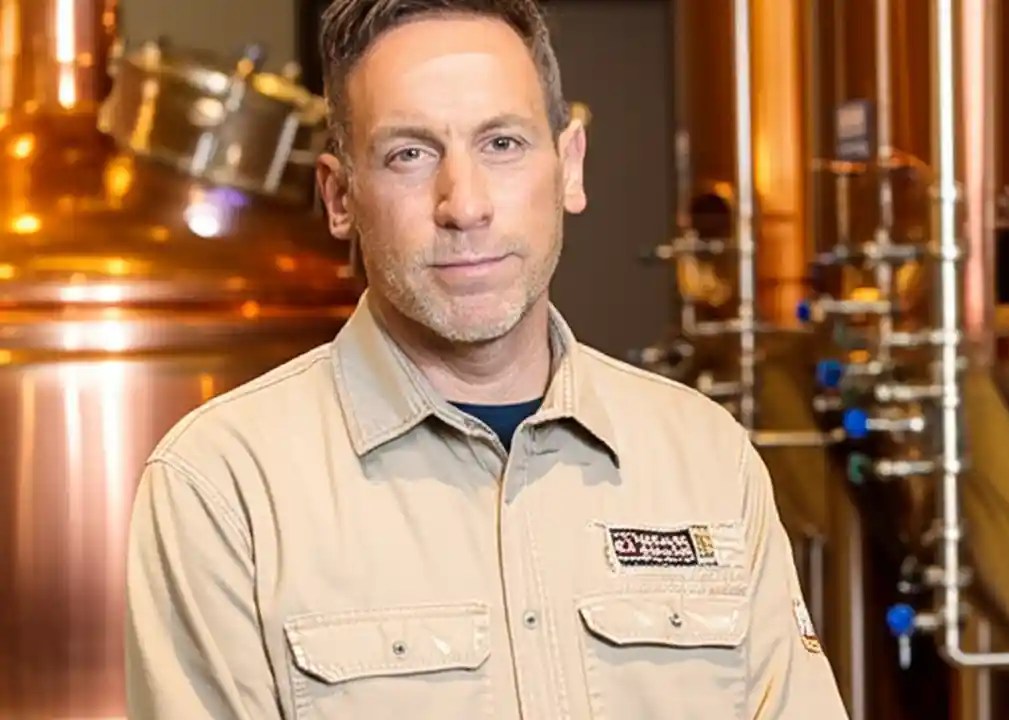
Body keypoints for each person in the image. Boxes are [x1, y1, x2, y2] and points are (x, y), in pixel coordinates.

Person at [123, 1, 848, 718]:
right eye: (410, 154)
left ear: (569, 166)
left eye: (502, 144)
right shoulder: (223, 489)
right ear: (340, 196)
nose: (464, 205)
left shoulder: (705, 457)